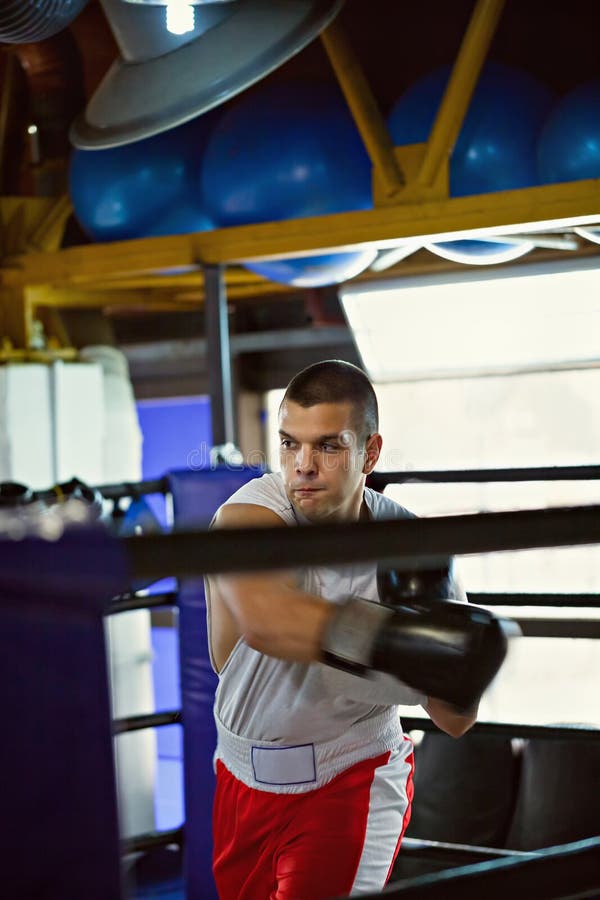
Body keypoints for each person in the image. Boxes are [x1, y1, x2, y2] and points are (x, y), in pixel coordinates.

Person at [205, 359, 505, 899]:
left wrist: (463, 670)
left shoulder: (408, 544)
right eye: (289, 444)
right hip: (240, 776)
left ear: (369, 452)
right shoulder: (249, 514)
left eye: (328, 446)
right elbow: (268, 620)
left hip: (351, 777)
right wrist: (397, 642)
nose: (303, 466)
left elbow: (455, 720)